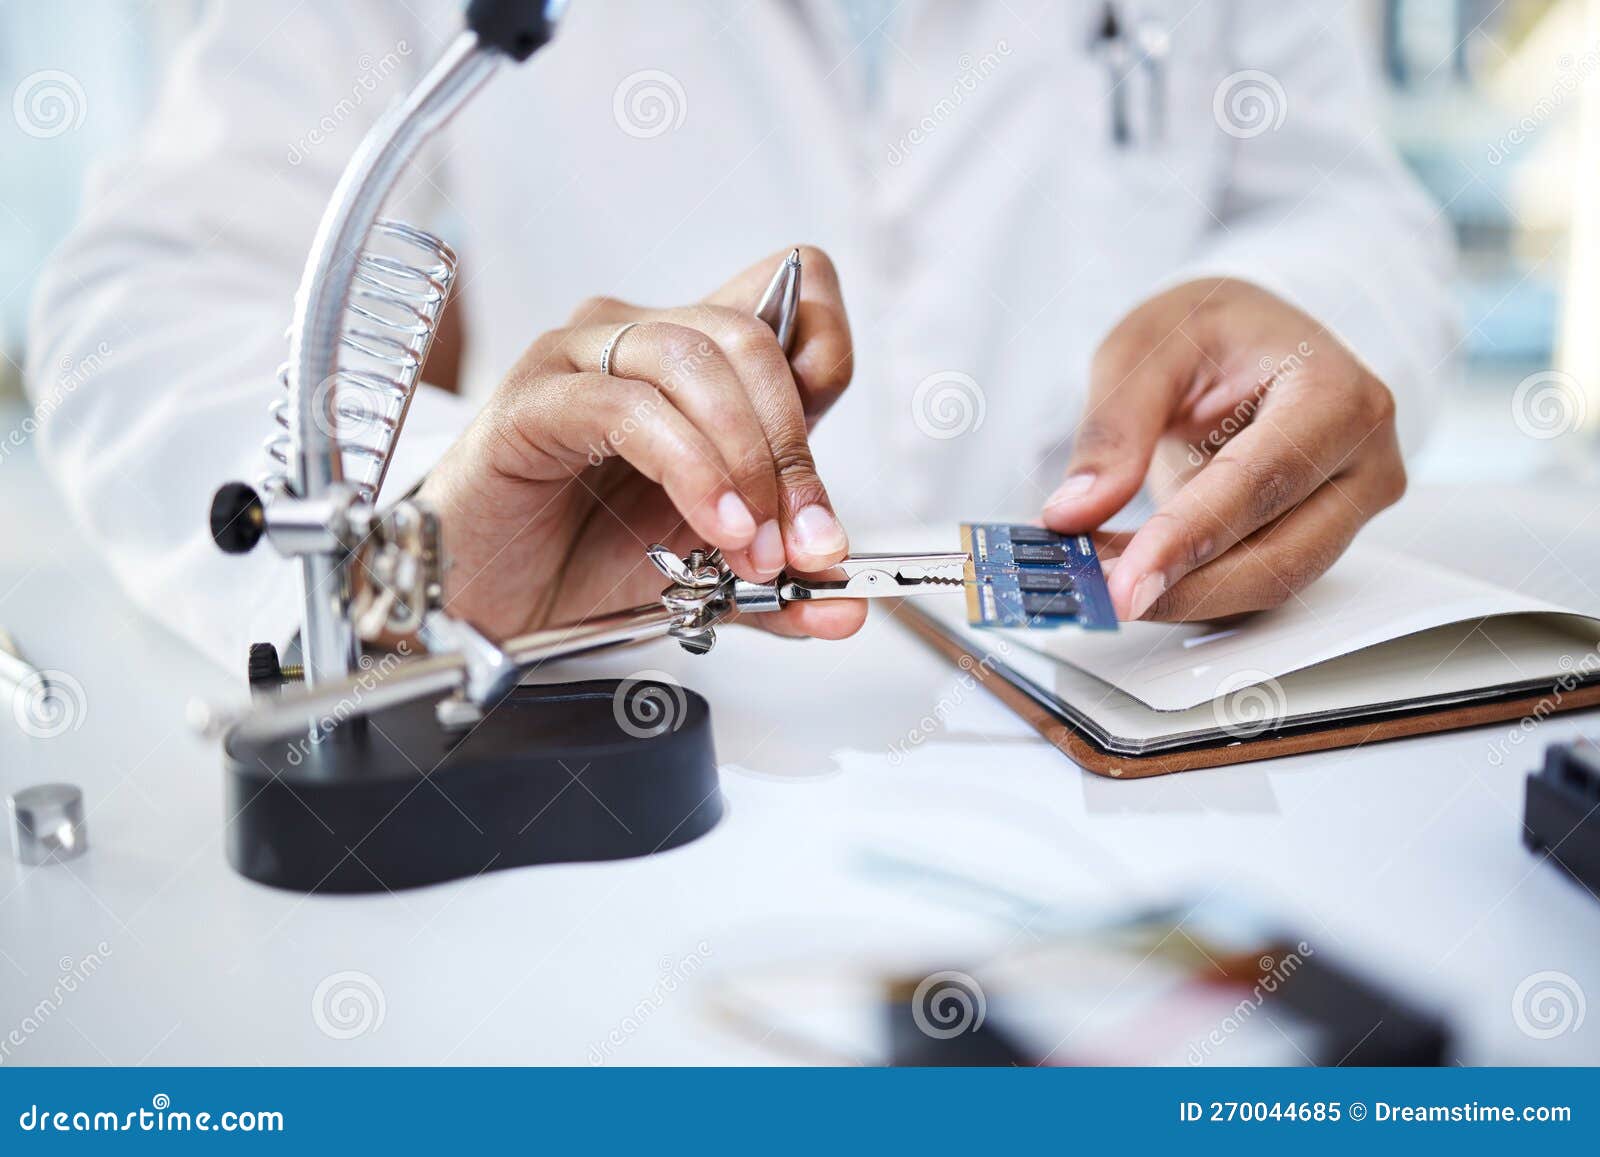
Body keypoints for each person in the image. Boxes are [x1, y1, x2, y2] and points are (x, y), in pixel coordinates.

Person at [26, 1, 1455, 673]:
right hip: (640, 751)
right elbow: (148, 297)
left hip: (1155, 708)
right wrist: (426, 532)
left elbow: (1341, 204)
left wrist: (1305, 320)